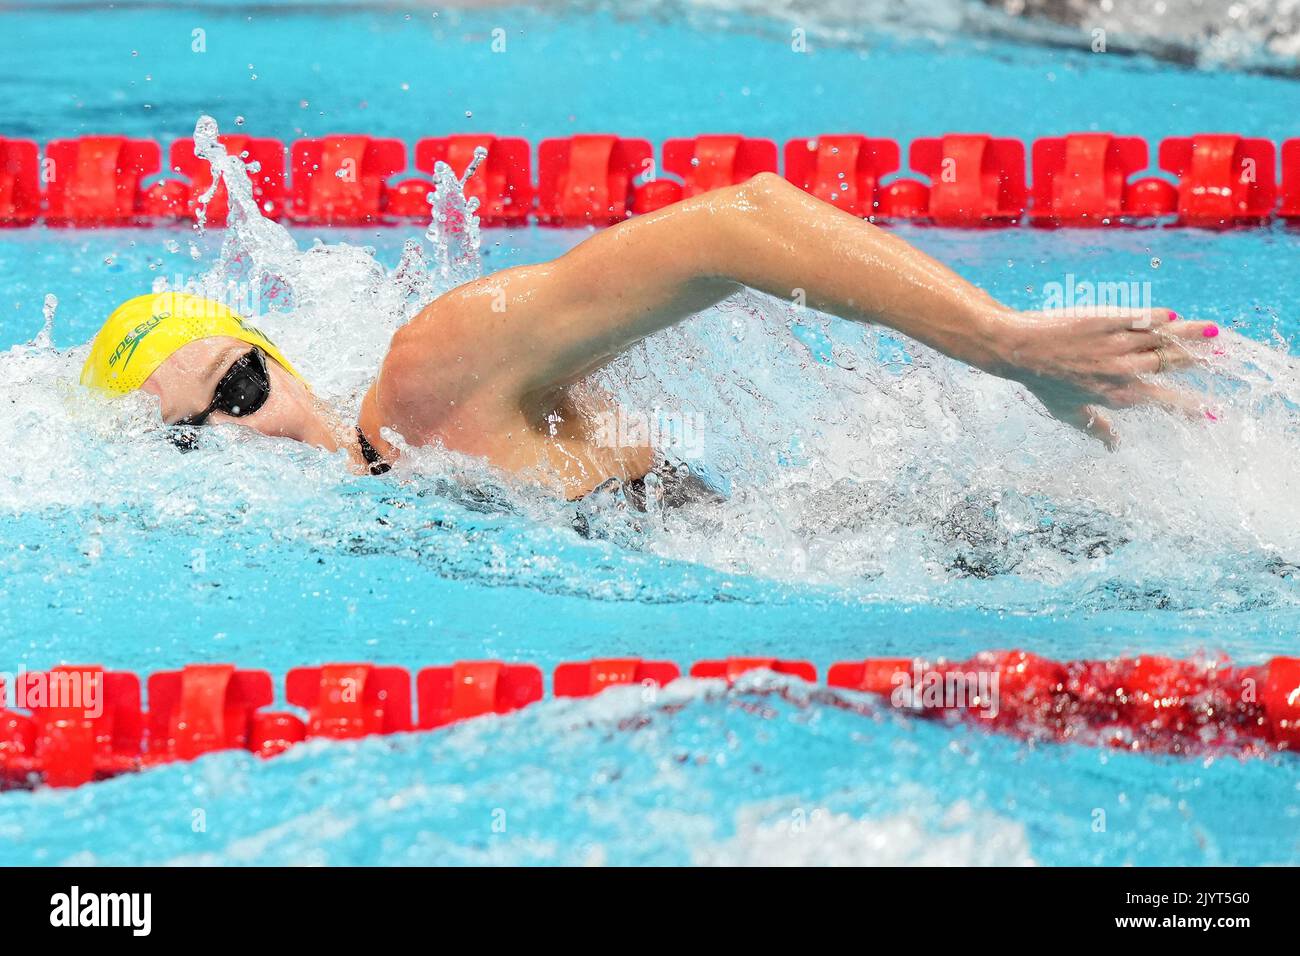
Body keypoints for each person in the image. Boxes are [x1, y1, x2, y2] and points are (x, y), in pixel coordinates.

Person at [81, 172, 1217, 502]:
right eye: (193, 437)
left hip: (997, 546)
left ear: (275, 357)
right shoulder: (375, 506)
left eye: (236, 387)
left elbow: (742, 221)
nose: (241, 435)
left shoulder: (425, 382)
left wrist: (1003, 342)